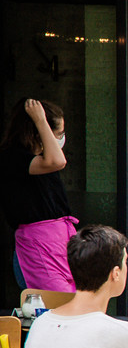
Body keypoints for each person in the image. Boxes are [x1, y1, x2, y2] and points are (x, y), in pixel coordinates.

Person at [0, 98, 77, 290]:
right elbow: (57, 161)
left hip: (61, 240)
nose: (60, 138)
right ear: (39, 132)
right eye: (58, 134)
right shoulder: (13, 157)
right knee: (59, 301)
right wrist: (41, 121)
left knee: (75, 300)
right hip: (40, 243)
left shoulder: (40, 159)